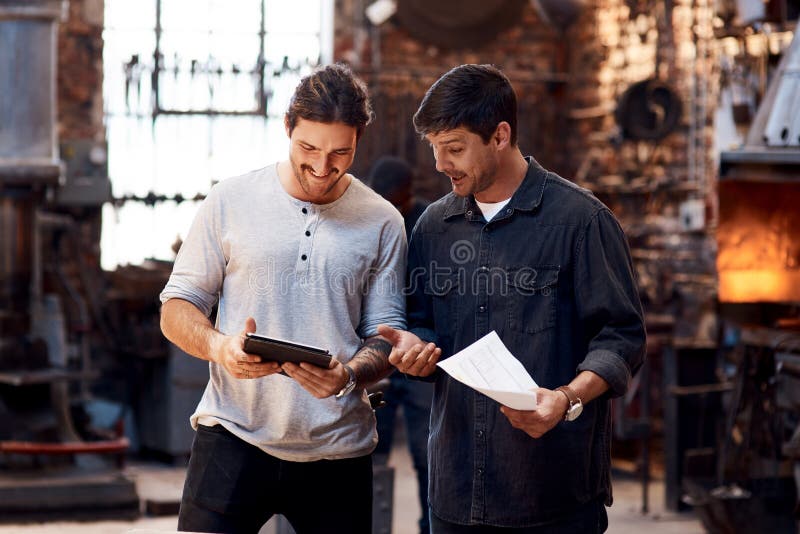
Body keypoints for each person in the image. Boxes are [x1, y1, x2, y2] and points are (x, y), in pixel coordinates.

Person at [377, 64, 646, 533]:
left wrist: (565, 398)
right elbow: (419, 318)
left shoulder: (581, 222)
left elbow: (621, 338)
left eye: (455, 148)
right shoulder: (434, 227)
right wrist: (415, 349)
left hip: (550, 494)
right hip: (455, 494)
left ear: (500, 136)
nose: (441, 164)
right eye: (435, 149)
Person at [159, 63, 406, 534]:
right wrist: (220, 347)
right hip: (232, 434)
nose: (321, 166)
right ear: (287, 127)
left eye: (340, 152)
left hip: (338, 448)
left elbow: (386, 334)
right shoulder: (229, 200)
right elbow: (177, 308)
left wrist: (349, 374)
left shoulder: (383, 221)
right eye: (307, 148)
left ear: (360, 141)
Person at [367, 156, 432, 534]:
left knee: (428, 456)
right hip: (379, 359)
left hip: (422, 357)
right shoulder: (366, 219)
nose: (391, 212)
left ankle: (430, 528)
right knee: (372, 448)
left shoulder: (428, 223)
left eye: (398, 204)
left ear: (409, 195)